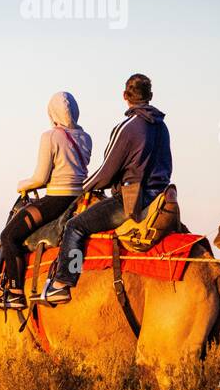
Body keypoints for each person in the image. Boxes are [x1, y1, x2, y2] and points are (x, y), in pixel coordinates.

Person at [38, 73, 172, 305]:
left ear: (125, 96)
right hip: (160, 199)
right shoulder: (162, 127)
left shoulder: (129, 127)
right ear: (150, 96)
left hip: (132, 200)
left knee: (75, 226)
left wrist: (84, 189)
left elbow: (106, 173)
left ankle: (63, 283)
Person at [0, 91, 92, 310]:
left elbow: (41, 178)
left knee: (9, 236)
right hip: (80, 200)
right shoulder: (86, 138)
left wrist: (23, 185)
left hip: (55, 201)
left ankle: (15, 292)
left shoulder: (50, 137)